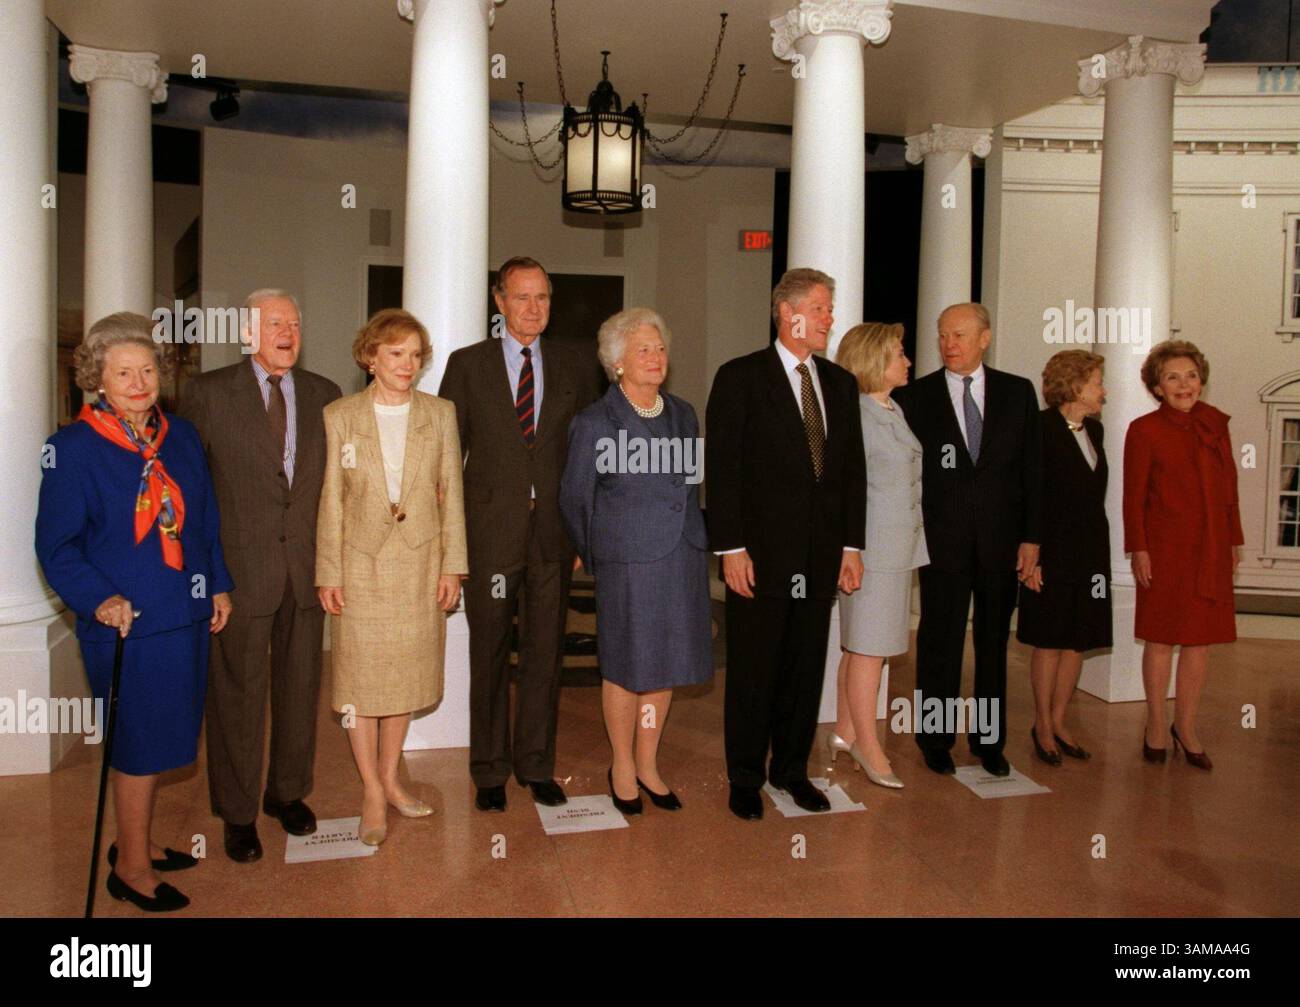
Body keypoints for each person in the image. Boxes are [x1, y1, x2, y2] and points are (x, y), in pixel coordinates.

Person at [36, 313, 233, 912]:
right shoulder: (69, 448)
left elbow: (203, 522)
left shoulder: (181, 436)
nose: (139, 380)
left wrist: (217, 586)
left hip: (184, 612)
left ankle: (133, 842)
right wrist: (100, 598)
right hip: (125, 625)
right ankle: (133, 868)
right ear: (97, 379)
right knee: (137, 745)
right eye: (123, 372)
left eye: (147, 369)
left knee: (168, 739)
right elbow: (56, 546)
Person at [178, 289, 342, 862]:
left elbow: (332, 492)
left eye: (295, 323)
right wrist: (208, 575)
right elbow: (191, 493)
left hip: (305, 571)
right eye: (275, 323)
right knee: (236, 697)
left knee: (301, 690)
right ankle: (238, 811)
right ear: (248, 333)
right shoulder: (207, 393)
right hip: (238, 574)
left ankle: (287, 793)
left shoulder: (326, 394)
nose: (287, 332)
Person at [438, 257, 599, 812]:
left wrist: (580, 532)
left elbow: (585, 459)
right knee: (488, 652)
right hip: (490, 538)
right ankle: (488, 770)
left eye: (543, 298)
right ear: (499, 300)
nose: (534, 309)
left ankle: (536, 765)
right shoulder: (467, 365)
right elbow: (445, 456)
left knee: (544, 653)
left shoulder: (574, 366)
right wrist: (451, 544)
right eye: (522, 297)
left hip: (553, 539)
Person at [705, 268, 866, 820]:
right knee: (753, 670)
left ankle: (792, 771)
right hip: (758, 557)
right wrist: (729, 548)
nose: (828, 319)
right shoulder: (740, 377)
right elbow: (722, 472)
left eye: (828, 308)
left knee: (804, 668)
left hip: (820, 558)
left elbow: (851, 474)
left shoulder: (841, 385)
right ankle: (745, 777)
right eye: (820, 308)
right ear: (787, 312)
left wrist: (851, 546)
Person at [316, 309, 467, 845]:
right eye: (396, 353)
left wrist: (454, 564)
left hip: (420, 564)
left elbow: (452, 494)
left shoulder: (440, 413)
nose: (408, 364)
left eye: (416, 355)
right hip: (359, 565)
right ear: (370, 357)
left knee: (403, 675)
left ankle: (388, 777)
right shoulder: (340, 415)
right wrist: (328, 571)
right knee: (360, 682)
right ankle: (373, 792)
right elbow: (331, 499)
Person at [559, 308, 712, 815]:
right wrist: (599, 550)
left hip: (679, 556)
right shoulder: (595, 421)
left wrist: (693, 537)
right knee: (626, 667)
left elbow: (691, 485)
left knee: (663, 666)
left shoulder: (684, 413)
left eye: (660, 348)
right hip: (627, 560)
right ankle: (621, 764)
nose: (655, 358)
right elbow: (575, 497)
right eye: (643, 349)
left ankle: (649, 762)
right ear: (617, 362)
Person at [892, 303, 1042, 777]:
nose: (948, 344)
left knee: (995, 643)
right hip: (942, 544)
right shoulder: (916, 398)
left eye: (958, 335)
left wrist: (1032, 538)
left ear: (985, 338)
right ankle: (935, 739)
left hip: (1002, 544)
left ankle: (990, 741)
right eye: (942, 336)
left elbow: (1032, 473)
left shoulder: (1019, 394)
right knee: (940, 641)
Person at [1124, 340, 1242, 771]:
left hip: (1211, 547)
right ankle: (1156, 724)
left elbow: (1229, 489)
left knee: (1199, 642)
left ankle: (1186, 728)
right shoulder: (1143, 430)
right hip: (1164, 551)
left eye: (1191, 375)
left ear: (1202, 380)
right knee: (1159, 638)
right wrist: (1139, 547)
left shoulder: (1216, 424)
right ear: (1157, 387)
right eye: (1172, 377)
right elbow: (1132, 497)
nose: (1184, 384)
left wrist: (1234, 540)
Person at [827, 323, 926, 790]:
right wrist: (853, 550)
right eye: (899, 354)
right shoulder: (859, 415)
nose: (907, 361)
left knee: (858, 647)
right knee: (870, 651)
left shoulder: (890, 408)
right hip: (871, 550)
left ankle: (846, 734)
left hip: (894, 546)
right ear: (873, 361)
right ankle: (869, 746)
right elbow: (846, 490)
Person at [1017, 350, 1110, 766]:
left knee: (1078, 639)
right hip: (1049, 550)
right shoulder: (1038, 428)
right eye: (1097, 382)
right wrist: (1030, 553)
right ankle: (1040, 723)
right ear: (1074, 386)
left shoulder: (1097, 431)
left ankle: (1059, 720)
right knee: (1050, 639)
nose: (1103, 391)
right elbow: (1029, 493)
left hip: (1091, 550)